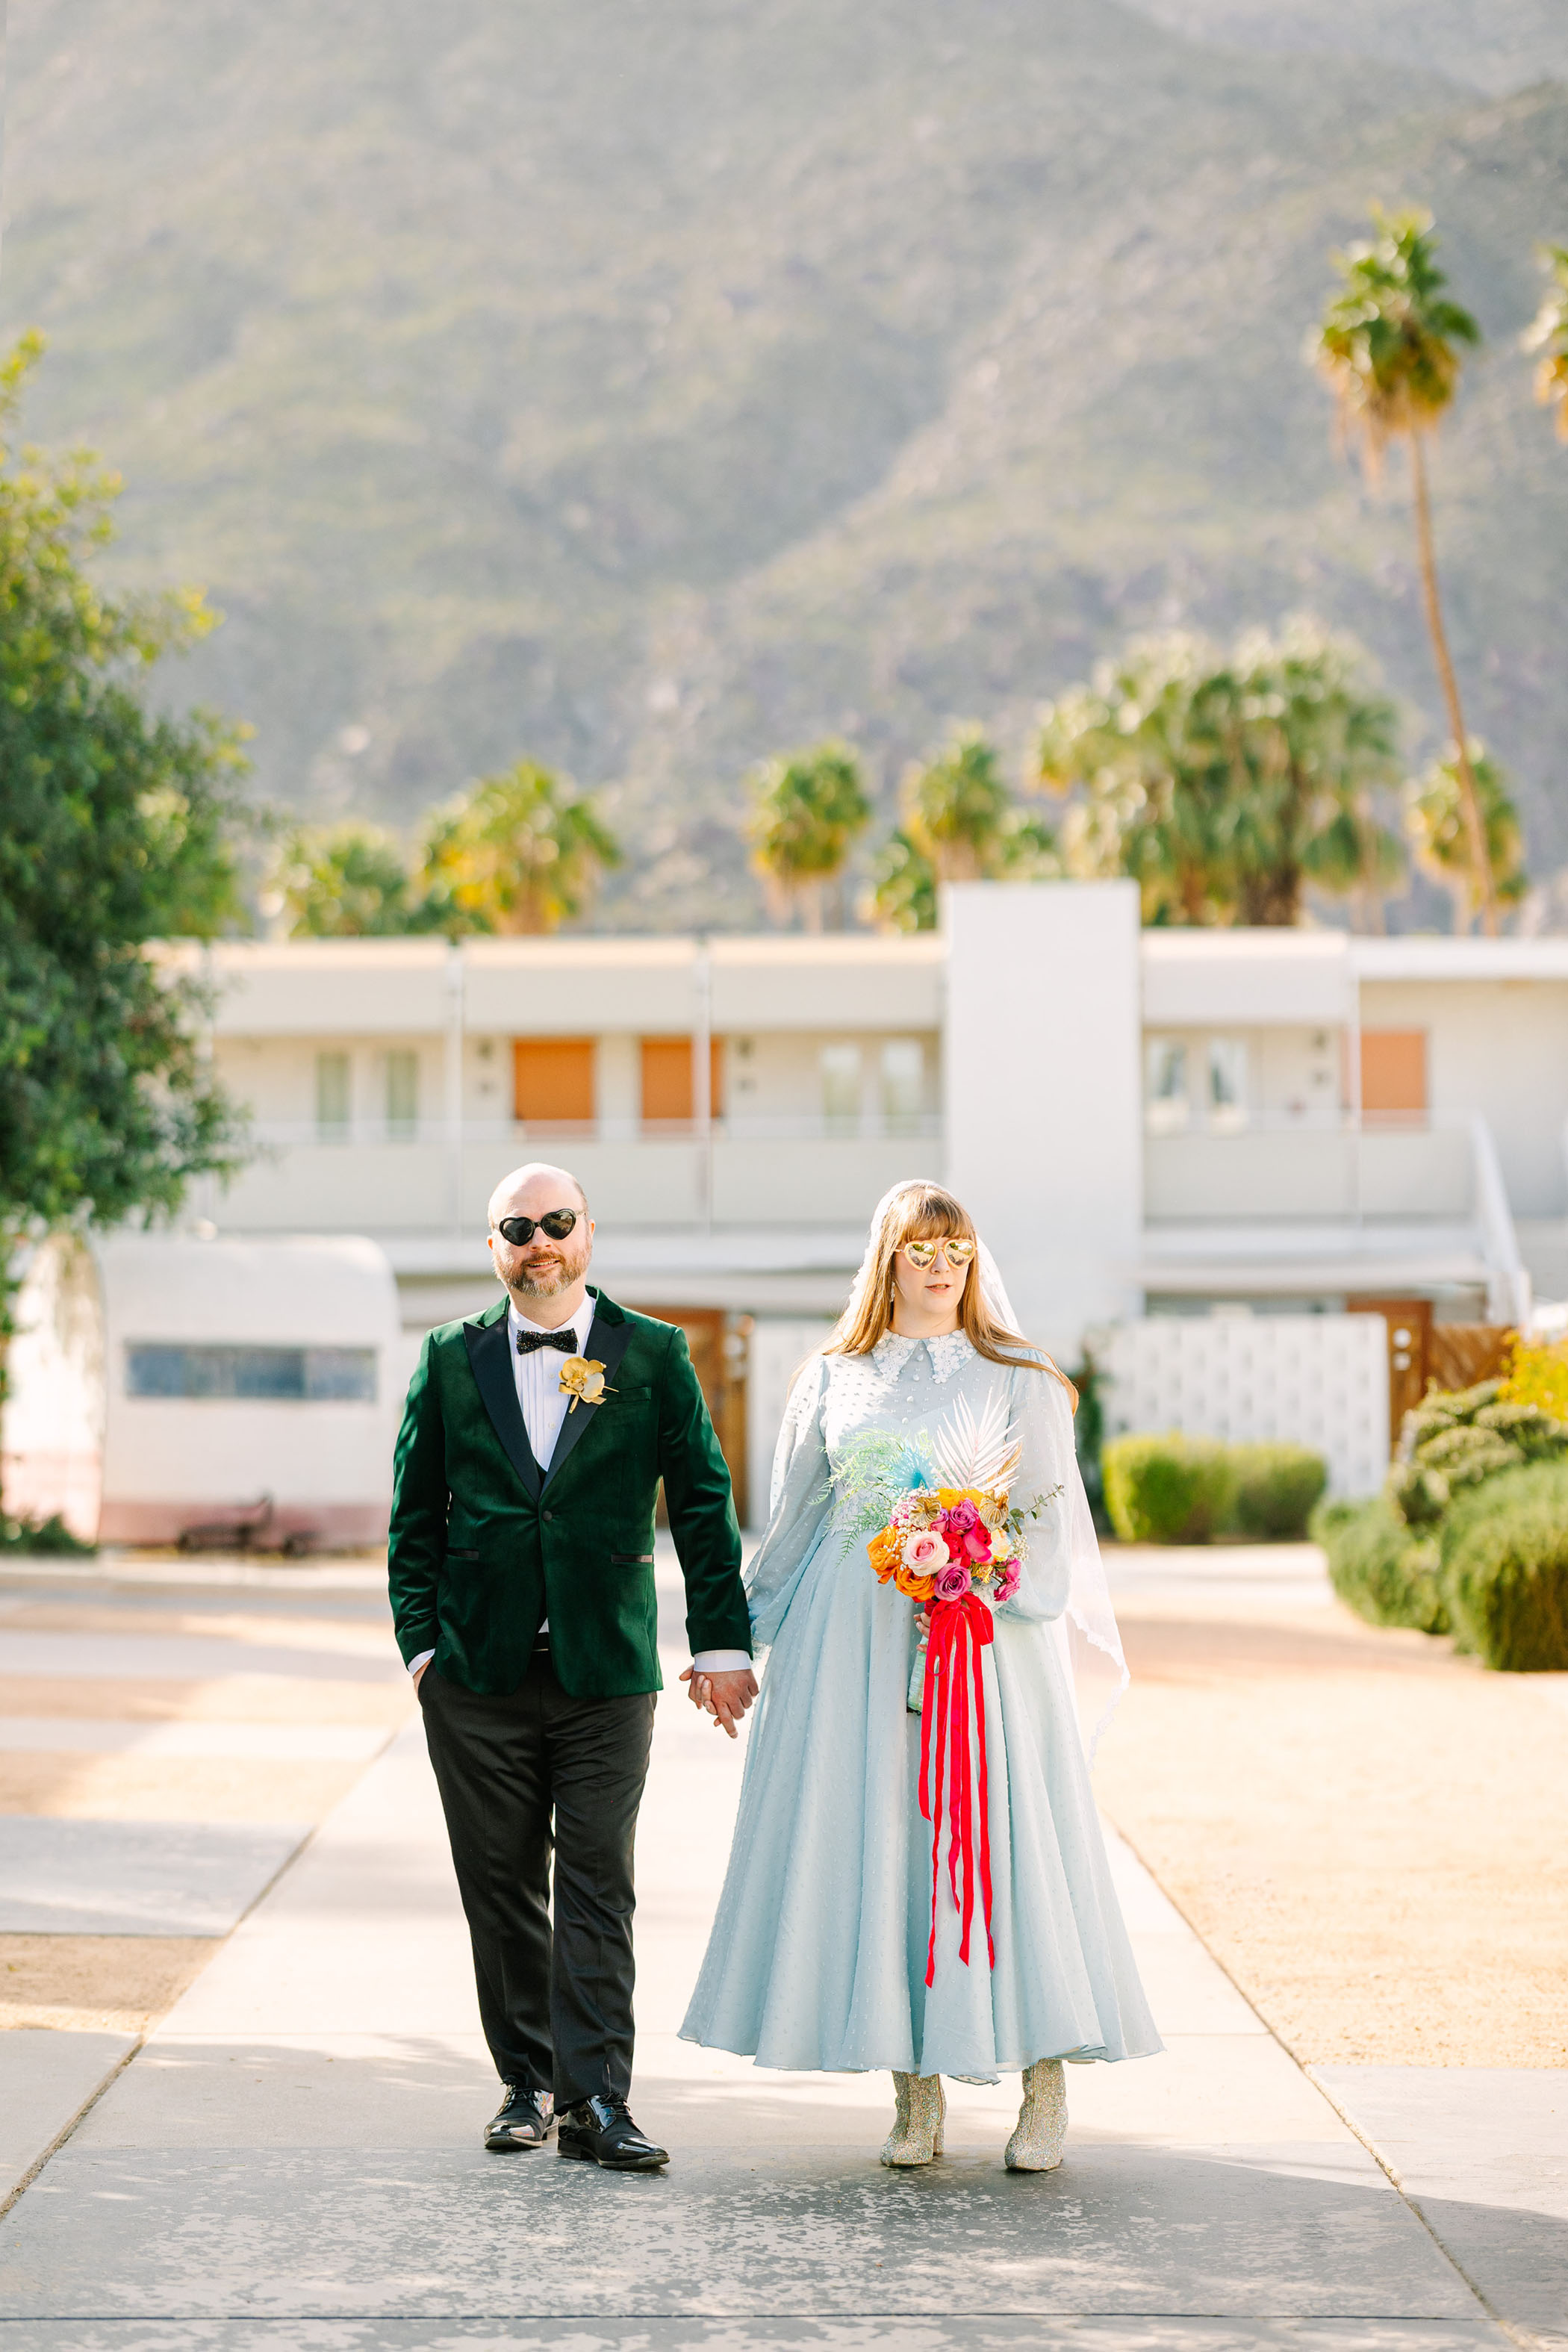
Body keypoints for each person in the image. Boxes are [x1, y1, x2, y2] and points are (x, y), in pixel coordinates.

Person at [680, 1179, 1160, 2169]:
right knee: (885, 1849)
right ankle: (915, 2092)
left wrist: (980, 1568)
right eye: (921, 1249)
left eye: (958, 1249)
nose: (941, 1266)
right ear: (888, 1258)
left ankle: (1043, 2079)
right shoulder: (831, 1376)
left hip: (980, 1647)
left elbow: (1048, 1515)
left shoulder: (1019, 1376)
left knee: (996, 1848)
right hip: (846, 1649)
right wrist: (734, 1637)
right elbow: (795, 1520)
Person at [389, 1161, 756, 2171]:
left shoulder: (655, 1354)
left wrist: (720, 1643)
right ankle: (528, 2083)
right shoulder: (448, 1360)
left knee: (598, 1883)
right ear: (495, 1247)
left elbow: (703, 1502)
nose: (539, 1242)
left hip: (607, 1673)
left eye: (557, 1222)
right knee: (500, 1885)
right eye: (518, 1226)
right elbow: (411, 1522)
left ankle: (597, 2099)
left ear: (590, 1232)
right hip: (477, 1675)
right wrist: (424, 1652)